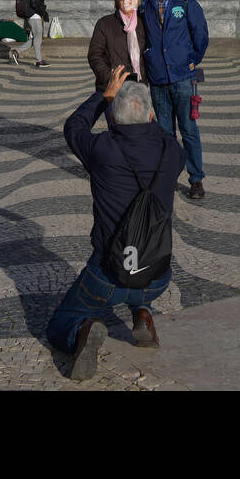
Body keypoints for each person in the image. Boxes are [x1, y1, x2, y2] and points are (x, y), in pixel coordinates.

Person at [45, 65, 184, 380]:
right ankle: (143, 314)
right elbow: (159, 134)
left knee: (59, 324)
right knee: (138, 266)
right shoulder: (172, 151)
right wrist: (146, 115)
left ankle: (82, 329)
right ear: (151, 116)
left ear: (114, 118)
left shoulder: (101, 149)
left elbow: (73, 127)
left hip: (107, 277)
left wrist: (103, 95)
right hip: (157, 278)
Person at [138, 0, 209, 200]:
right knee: (165, 133)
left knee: (189, 130)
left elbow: (201, 36)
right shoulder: (145, 6)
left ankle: (196, 178)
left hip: (183, 78)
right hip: (158, 79)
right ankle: (167, 177)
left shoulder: (186, 3)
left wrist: (190, 60)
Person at [11, 0, 49, 68]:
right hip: (34, 15)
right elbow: (34, 2)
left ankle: (17, 52)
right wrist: (41, 12)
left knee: (36, 38)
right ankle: (39, 61)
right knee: (38, 37)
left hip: (29, 15)